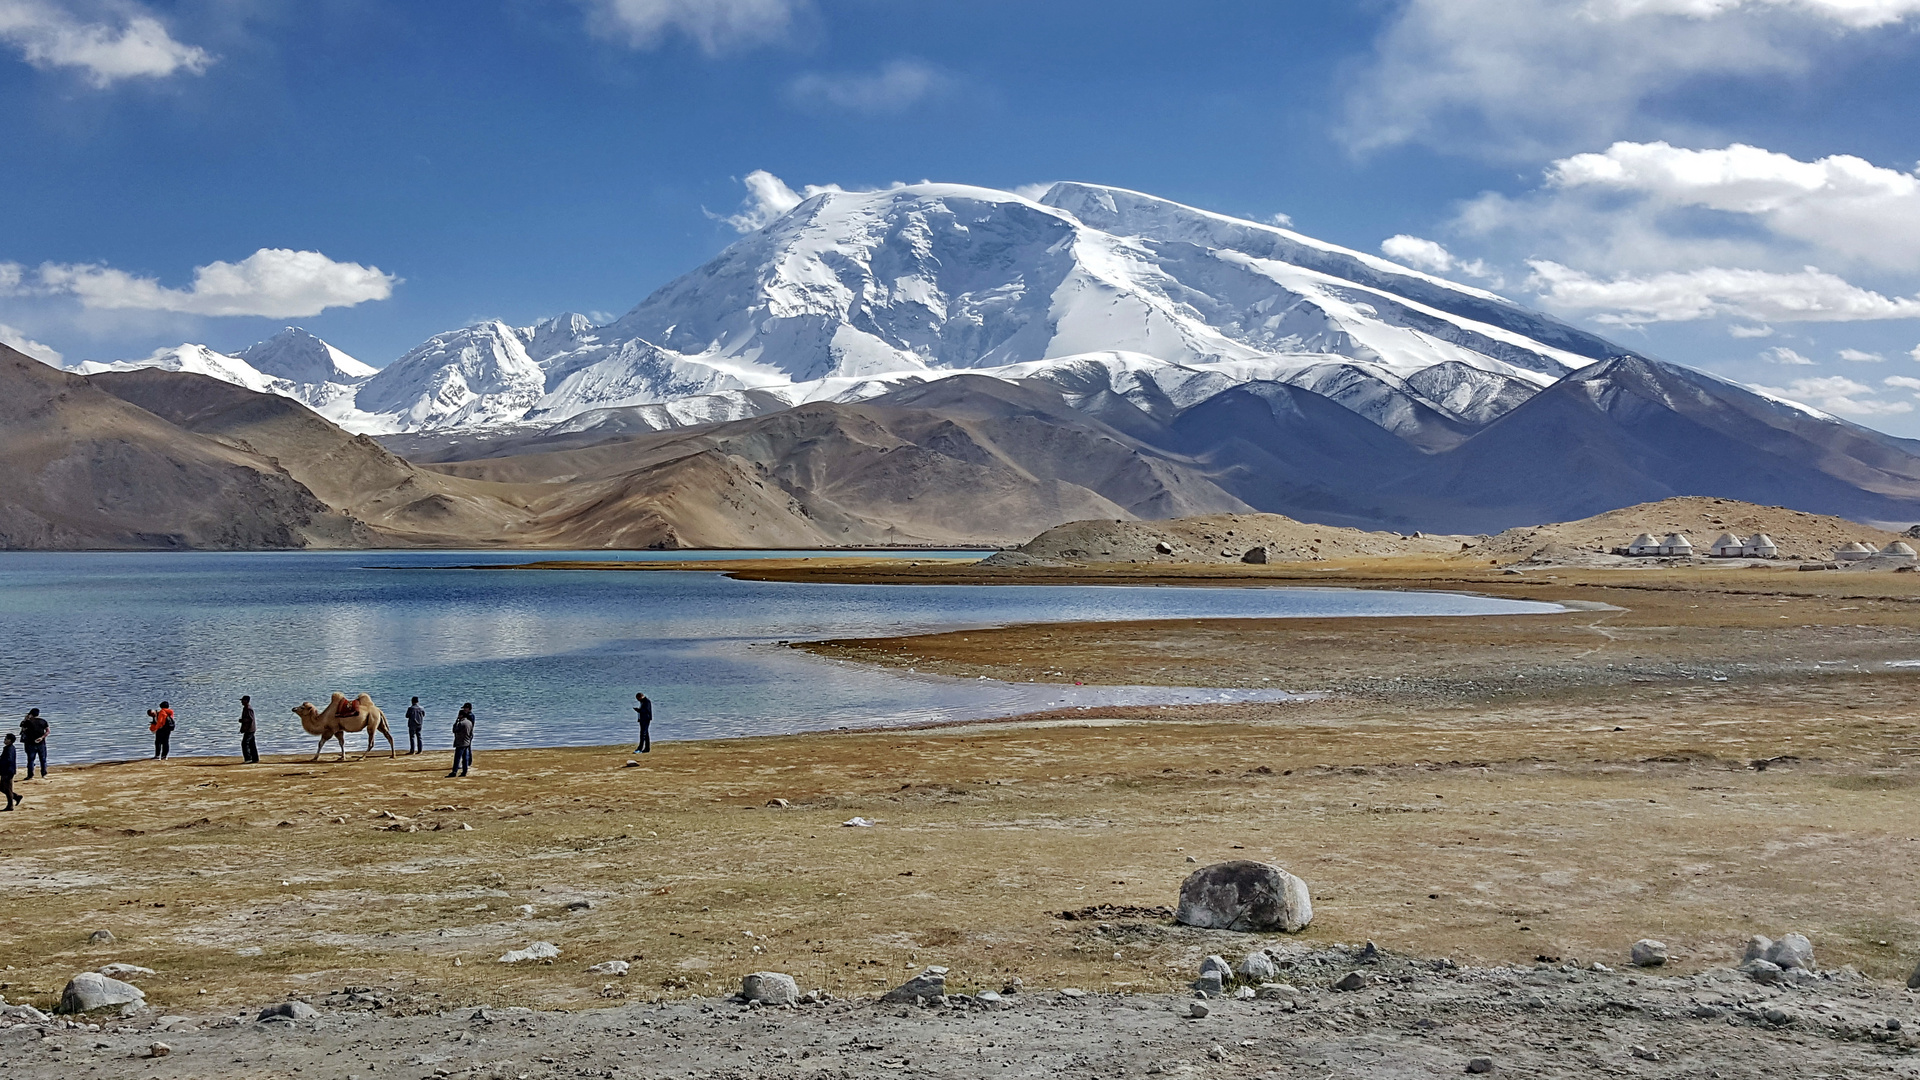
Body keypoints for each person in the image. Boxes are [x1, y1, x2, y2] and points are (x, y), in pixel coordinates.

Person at [19, 708, 47, 779]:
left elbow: (22, 730)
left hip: (30, 743)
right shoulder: (43, 721)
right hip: (41, 743)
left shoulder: (27, 722)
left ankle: (30, 775)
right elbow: (48, 731)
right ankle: (44, 774)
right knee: (43, 760)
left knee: (31, 760)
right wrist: (42, 737)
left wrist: (25, 719)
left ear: (31, 714)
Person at [448, 703, 473, 778]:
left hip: (460, 742)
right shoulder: (469, 722)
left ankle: (454, 772)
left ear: (461, 715)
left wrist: (456, 722)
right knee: (465, 758)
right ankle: (464, 771)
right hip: (467, 742)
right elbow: (471, 732)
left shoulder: (461, 723)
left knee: (457, 758)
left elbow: (454, 730)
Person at [238, 695, 259, 764]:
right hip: (250, 729)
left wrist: (242, 720)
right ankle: (255, 759)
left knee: (245, 743)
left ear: (246, 701)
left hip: (249, 729)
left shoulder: (248, 709)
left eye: (243, 700)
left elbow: (250, 719)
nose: (241, 702)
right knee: (251, 744)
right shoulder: (246, 708)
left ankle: (248, 759)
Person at [1, 733, 19, 810]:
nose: (4, 740)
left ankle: (10, 805)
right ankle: (16, 797)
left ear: (10, 740)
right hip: (6, 770)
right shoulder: (8, 748)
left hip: (7, 771)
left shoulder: (9, 749)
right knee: (3, 787)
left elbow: (8, 760)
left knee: (7, 788)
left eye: (6, 739)